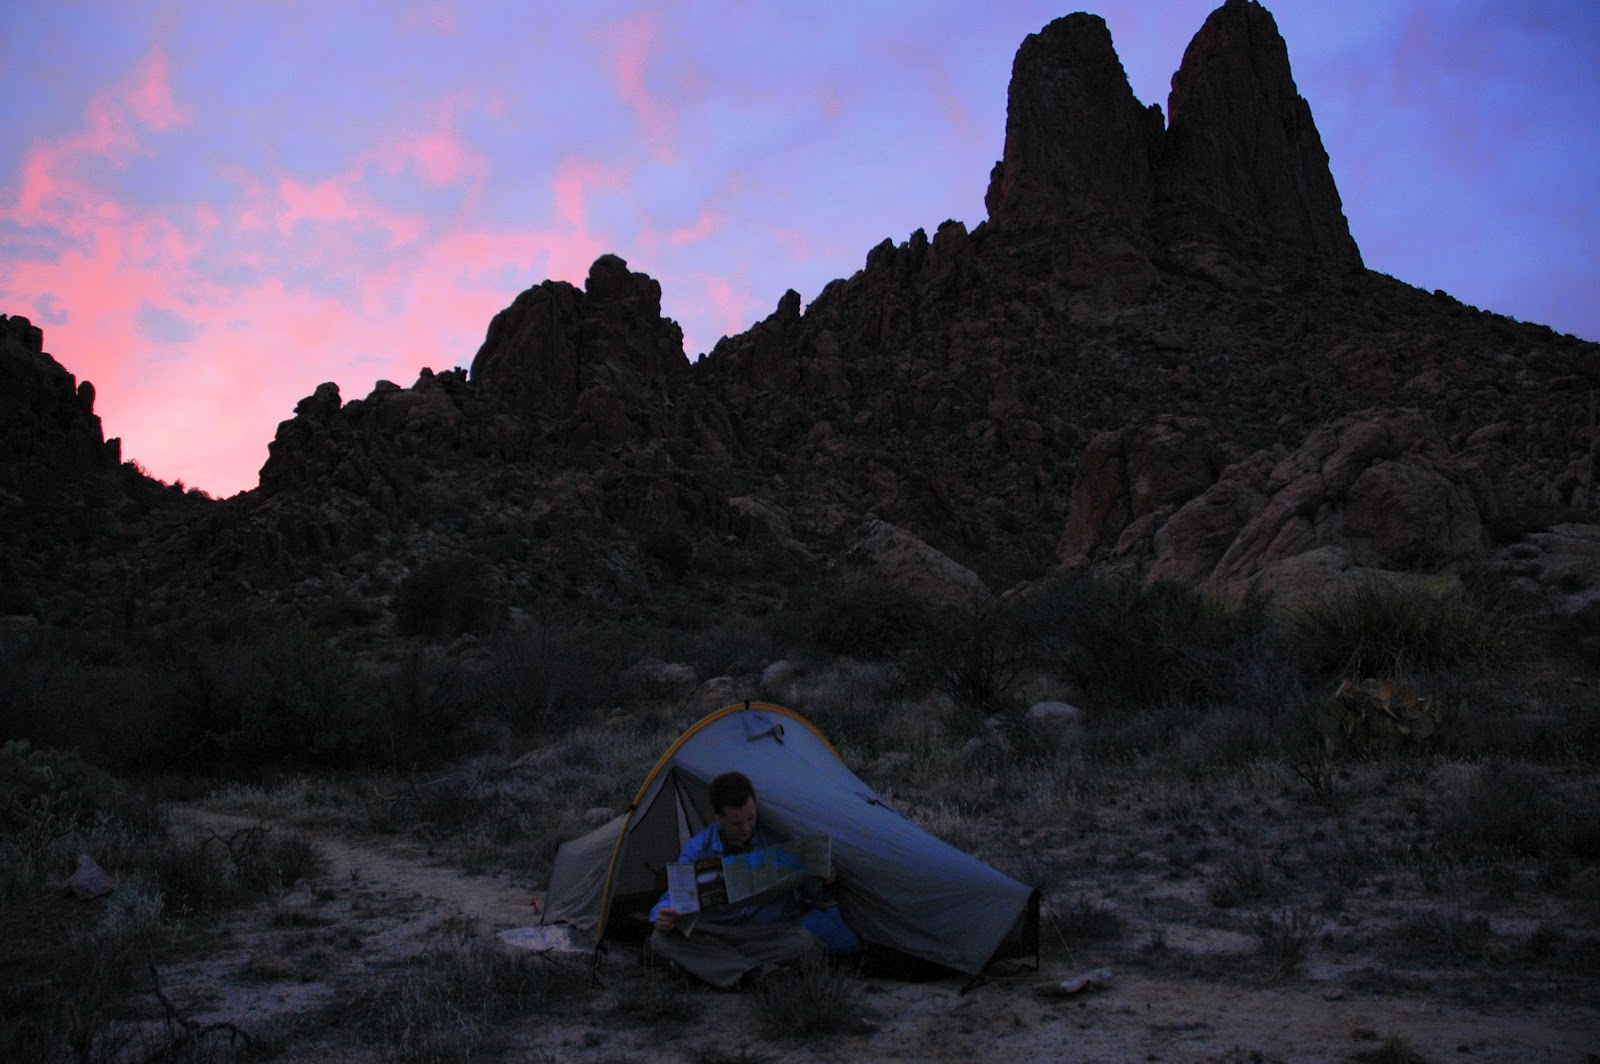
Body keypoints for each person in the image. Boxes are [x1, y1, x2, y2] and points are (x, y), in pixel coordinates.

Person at [648, 770, 848, 988]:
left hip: (766, 935)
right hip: (718, 934)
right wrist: (663, 914)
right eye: (736, 823)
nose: (746, 828)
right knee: (660, 939)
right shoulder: (698, 850)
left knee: (805, 943)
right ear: (718, 816)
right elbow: (674, 898)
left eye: (751, 819)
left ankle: (716, 970)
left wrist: (822, 879)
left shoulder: (774, 839)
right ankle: (752, 973)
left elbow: (812, 895)